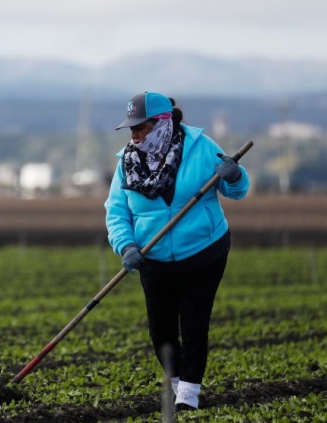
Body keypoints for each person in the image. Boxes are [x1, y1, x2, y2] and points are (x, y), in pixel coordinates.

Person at [104, 92, 250, 412]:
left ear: (162, 124)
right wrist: (126, 245)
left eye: (140, 128)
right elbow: (116, 211)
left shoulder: (201, 148)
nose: (134, 135)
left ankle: (189, 395)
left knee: (194, 323)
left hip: (204, 251)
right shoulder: (127, 162)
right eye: (131, 129)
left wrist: (235, 175)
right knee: (161, 328)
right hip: (152, 258)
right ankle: (175, 381)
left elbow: (236, 190)